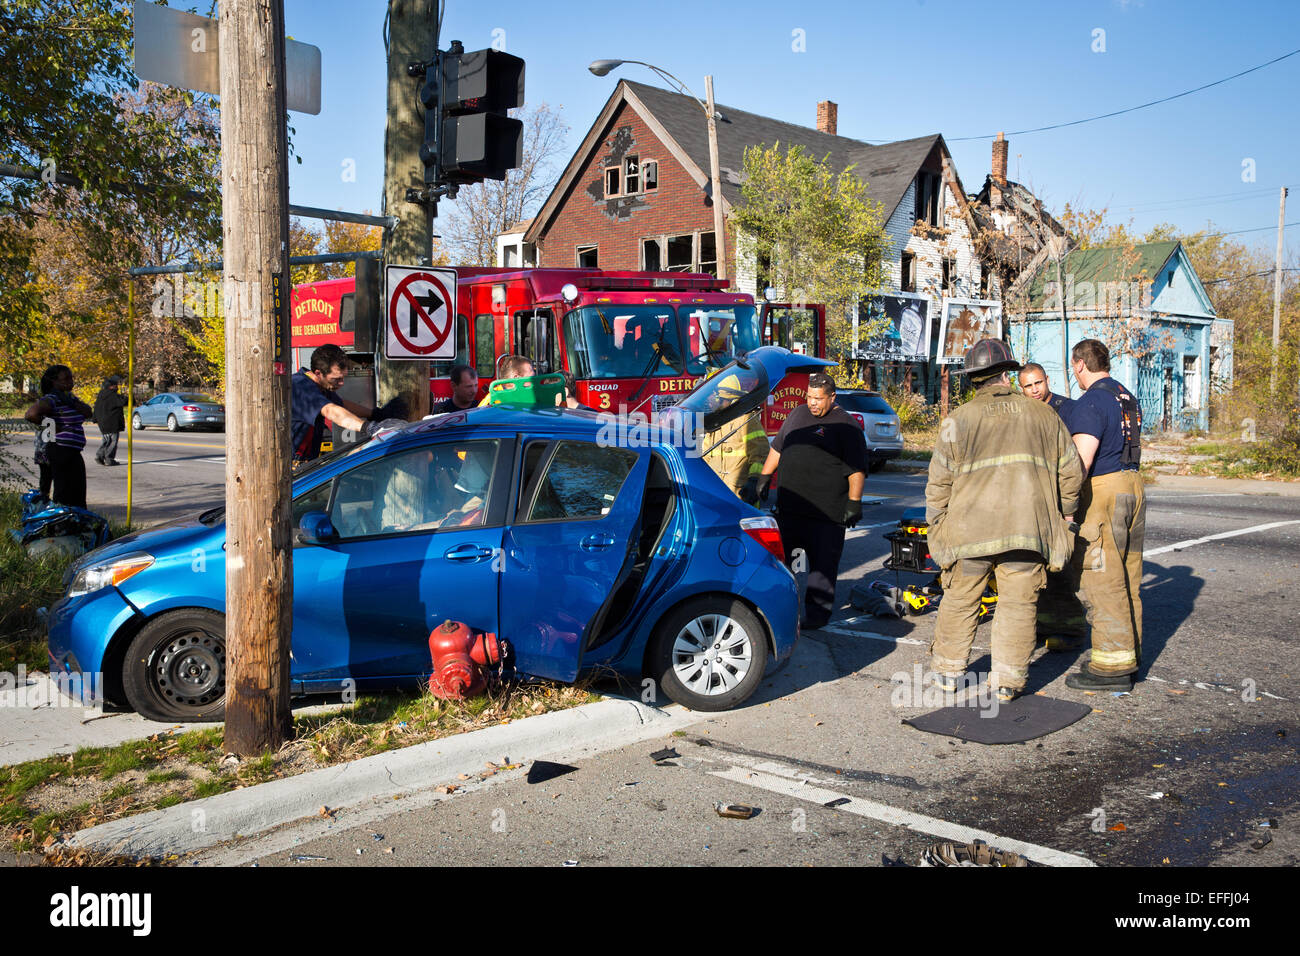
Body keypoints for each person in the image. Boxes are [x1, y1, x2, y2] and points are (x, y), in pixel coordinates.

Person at [925, 339, 1082, 702]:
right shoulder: (1044, 415)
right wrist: (1067, 514)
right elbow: (1071, 474)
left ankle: (948, 673)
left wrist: (938, 528)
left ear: (973, 379)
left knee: (961, 599)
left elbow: (938, 484)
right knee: (1017, 604)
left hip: (968, 533)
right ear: (1008, 374)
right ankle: (1008, 682)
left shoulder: (956, 421)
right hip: (1027, 532)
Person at [746, 372, 867, 630]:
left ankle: (816, 616)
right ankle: (774, 608)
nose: (813, 403)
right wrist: (764, 478)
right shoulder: (797, 415)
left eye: (818, 399)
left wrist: (854, 502)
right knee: (777, 564)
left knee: (822, 570)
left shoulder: (846, 426)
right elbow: (778, 448)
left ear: (832, 397)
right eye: (810, 397)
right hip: (790, 509)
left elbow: (857, 469)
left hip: (827, 514)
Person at [1062, 339, 1146, 692]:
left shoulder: (1091, 401)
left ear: (1080, 364)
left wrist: (1065, 505)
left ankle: (1110, 667)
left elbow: (1082, 461)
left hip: (1104, 490)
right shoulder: (1127, 396)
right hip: (1134, 485)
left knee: (1101, 577)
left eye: (1073, 367)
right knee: (1128, 575)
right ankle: (1129, 656)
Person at [1019, 362, 1086, 649]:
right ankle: (1042, 624)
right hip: (1034, 498)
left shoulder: (1068, 409)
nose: (1034, 390)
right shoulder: (1021, 413)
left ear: (1047, 380)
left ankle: (1070, 628)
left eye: (1038, 383)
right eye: (1028, 386)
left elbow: (1074, 462)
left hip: (1060, 498)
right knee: (1036, 566)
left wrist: (1068, 508)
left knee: (1060, 567)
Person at [291, 344, 391, 468]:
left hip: (306, 463)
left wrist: (375, 414)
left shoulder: (320, 386)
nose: (341, 383)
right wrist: (368, 427)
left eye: (343, 377)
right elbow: (331, 411)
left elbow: (342, 405)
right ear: (318, 373)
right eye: (336, 379)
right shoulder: (301, 387)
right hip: (290, 465)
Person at [25, 365, 93, 509]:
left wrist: (72, 402)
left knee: (78, 493)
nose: (70, 381)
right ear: (54, 382)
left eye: (71, 377)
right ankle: (58, 525)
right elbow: (31, 414)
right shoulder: (52, 399)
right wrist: (51, 425)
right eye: (66, 378)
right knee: (63, 493)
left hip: (73, 450)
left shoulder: (70, 398)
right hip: (60, 450)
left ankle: (76, 524)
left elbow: (88, 412)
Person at [92, 375, 127, 466]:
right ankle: (109, 459)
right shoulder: (112, 396)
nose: (117, 387)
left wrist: (95, 419)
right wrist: (127, 396)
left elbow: (96, 408)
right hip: (112, 422)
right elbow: (124, 402)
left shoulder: (101, 395)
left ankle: (100, 456)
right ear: (111, 386)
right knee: (113, 441)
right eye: (115, 385)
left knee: (106, 440)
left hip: (102, 423)